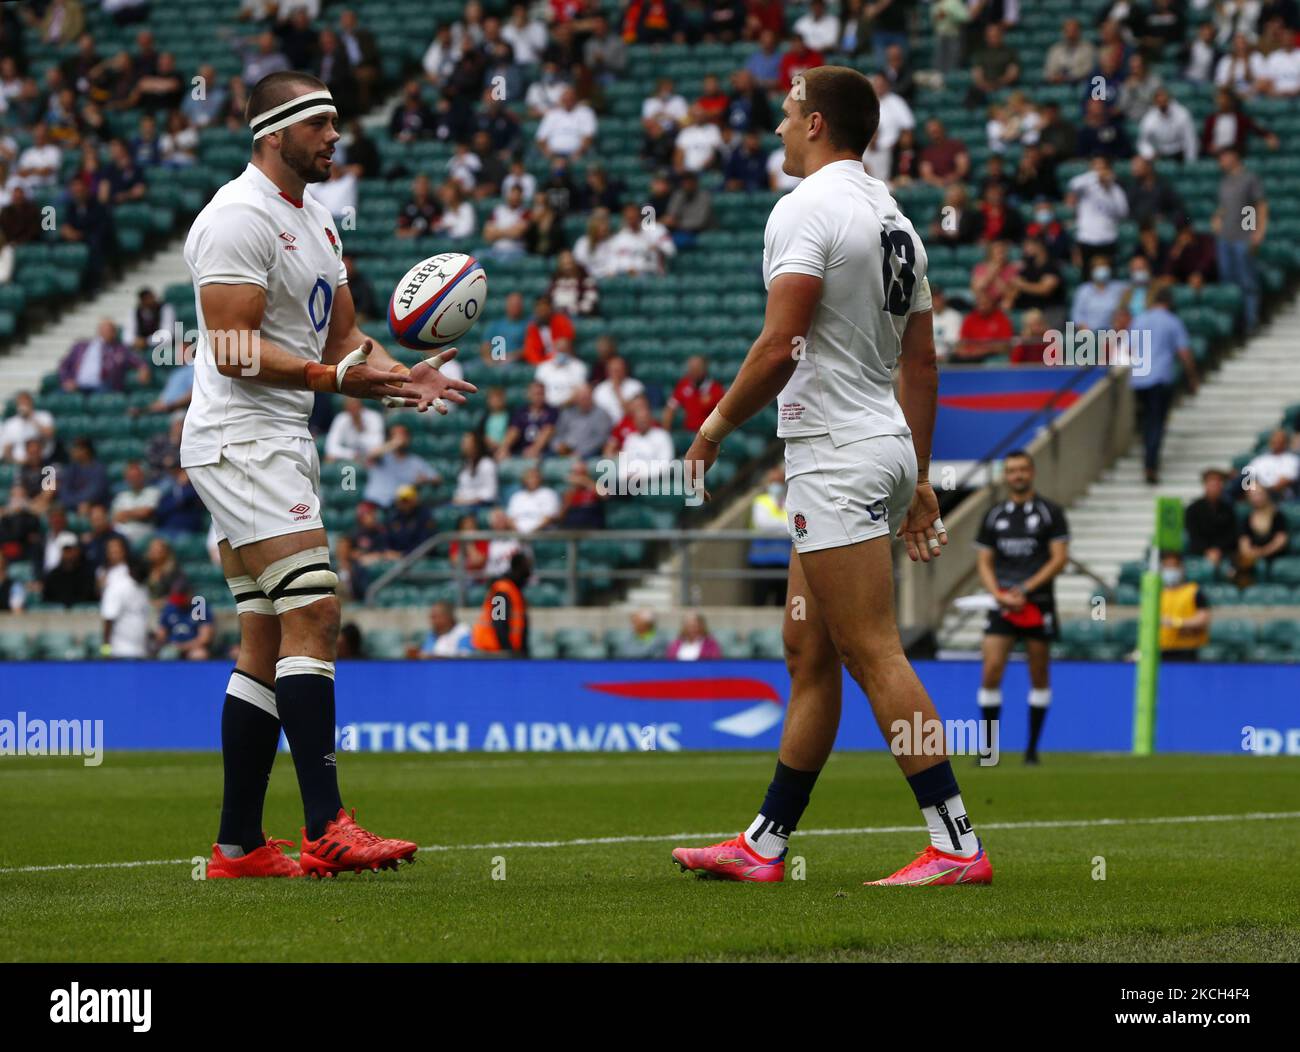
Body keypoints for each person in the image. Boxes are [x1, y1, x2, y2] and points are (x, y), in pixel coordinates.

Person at [672, 67, 991, 887]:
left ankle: (956, 844)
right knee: (807, 649)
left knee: (871, 649)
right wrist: (918, 474)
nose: (776, 130)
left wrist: (712, 426)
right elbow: (922, 363)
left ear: (816, 123)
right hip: (875, 446)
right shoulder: (898, 224)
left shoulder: (805, 209)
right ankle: (765, 843)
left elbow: (780, 346)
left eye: (785, 116)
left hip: (835, 454)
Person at [180, 71, 474, 879]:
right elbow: (231, 350)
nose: (336, 136)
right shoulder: (235, 217)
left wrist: (403, 374)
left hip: (270, 436)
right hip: (244, 435)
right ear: (273, 133)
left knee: (266, 635)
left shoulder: (316, 222)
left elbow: (345, 338)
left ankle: (239, 845)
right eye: (321, 124)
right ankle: (326, 826)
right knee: (316, 610)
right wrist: (330, 379)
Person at [973, 450, 1070, 766]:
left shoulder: (1050, 513)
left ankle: (1031, 751)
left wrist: (1026, 589)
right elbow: (984, 562)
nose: (1017, 475)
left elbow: (1059, 558)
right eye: (1012, 470)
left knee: (1039, 674)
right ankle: (988, 751)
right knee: (991, 671)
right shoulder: (993, 515)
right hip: (1002, 604)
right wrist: (998, 594)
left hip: (1037, 603)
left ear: (1032, 472)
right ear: (1005, 475)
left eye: (1022, 469)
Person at [1129, 285, 1199, 485]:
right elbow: (1184, 352)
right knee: (1156, 422)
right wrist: (1192, 377)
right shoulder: (1172, 321)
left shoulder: (1140, 319)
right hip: (1160, 377)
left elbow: (1128, 348)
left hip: (1139, 379)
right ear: (1169, 302)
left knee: (1147, 421)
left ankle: (1147, 456)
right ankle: (1150, 462)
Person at [1212, 148, 1266, 331]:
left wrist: (1256, 232)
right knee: (1229, 283)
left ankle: (1251, 322)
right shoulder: (1224, 182)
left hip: (1242, 237)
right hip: (1225, 238)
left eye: (1224, 157)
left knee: (1247, 282)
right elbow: (1223, 206)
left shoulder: (1249, 179)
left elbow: (1258, 205)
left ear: (1234, 157)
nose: (1221, 162)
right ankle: (1235, 325)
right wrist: (1218, 217)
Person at [470, 550, 531, 656]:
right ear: (516, 568)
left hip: (504, 651)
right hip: (491, 652)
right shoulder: (501, 590)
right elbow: (499, 623)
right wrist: (508, 651)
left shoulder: (515, 591)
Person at [99, 544, 152, 659]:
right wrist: (106, 649)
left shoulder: (143, 587)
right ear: (132, 569)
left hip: (141, 650)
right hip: (120, 651)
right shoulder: (117, 587)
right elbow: (108, 618)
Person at [1157, 551, 1210, 662]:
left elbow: (1202, 619)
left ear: (1181, 568)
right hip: (1162, 650)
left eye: (1174, 566)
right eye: (1167, 566)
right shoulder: (1158, 593)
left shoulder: (1194, 591)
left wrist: (1176, 622)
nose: (1170, 570)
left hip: (1188, 650)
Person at [1185, 469, 1237, 570]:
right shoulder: (1193, 509)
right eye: (1211, 484)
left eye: (1217, 484)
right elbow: (1193, 534)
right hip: (1199, 552)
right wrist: (1207, 551)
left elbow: (1231, 535)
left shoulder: (1228, 509)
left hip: (1224, 552)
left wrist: (1218, 550)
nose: (1215, 488)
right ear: (1205, 485)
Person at [1237, 485, 1289, 582]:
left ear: (1266, 495)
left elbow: (1281, 541)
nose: (1257, 498)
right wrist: (1251, 553)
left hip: (1275, 556)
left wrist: (1262, 552)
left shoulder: (1277, 516)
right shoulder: (1246, 519)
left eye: (1259, 494)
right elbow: (1244, 543)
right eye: (1253, 495)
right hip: (1253, 557)